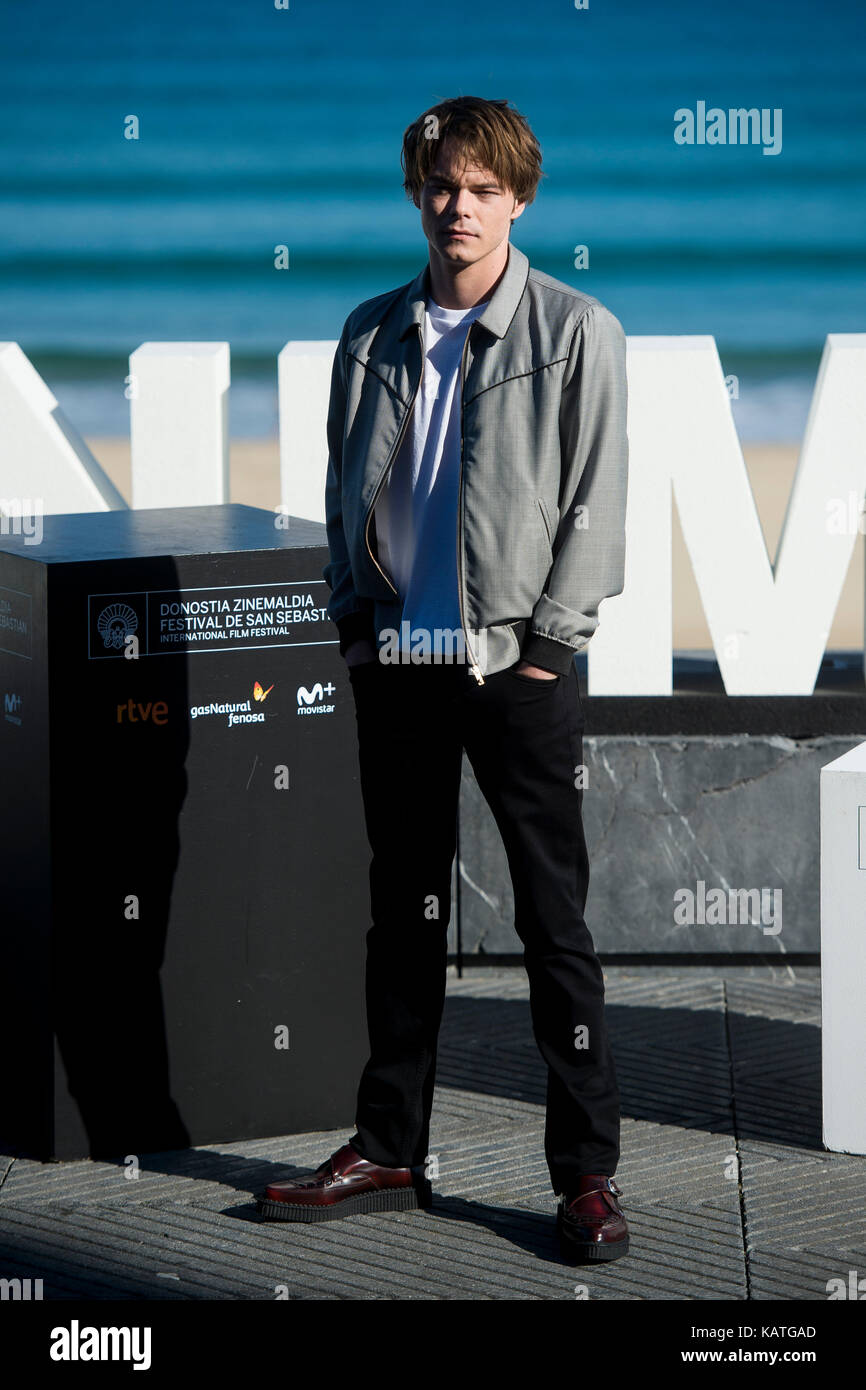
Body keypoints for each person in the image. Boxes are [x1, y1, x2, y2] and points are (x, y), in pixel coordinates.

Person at [257, 95, 630, 1263]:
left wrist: (548, 647)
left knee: (549, 919)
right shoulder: (368, 333)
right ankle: (387, 1146)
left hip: (514, 661)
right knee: (402, 916)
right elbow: (341, 489)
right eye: (438, 184)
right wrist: (354, 620)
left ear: (518, 198)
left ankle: (585, 1176)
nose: (456, 205)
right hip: (400, 663)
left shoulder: (575, 332)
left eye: (479, 187)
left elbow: (594, 496)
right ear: (416, 194)